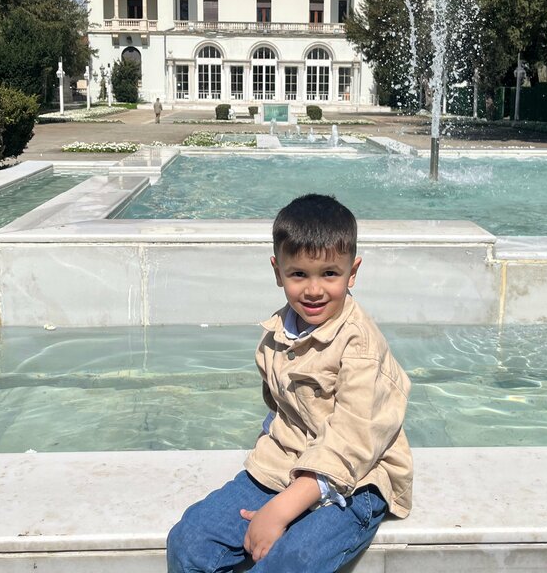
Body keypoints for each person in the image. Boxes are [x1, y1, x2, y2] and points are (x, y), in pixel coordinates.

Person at [166, 194, 413, 573]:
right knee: (189, 541)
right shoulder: (276, 333)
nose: (313, 290)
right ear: (277, 271)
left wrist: (282, 508)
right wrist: (276, 488)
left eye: (330, 273)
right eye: (298, 274)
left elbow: (355, 441)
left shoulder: (360, 345)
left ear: (353, 272)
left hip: (358, 482)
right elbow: (280, 411)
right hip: (284, 463)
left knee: (292, 560)